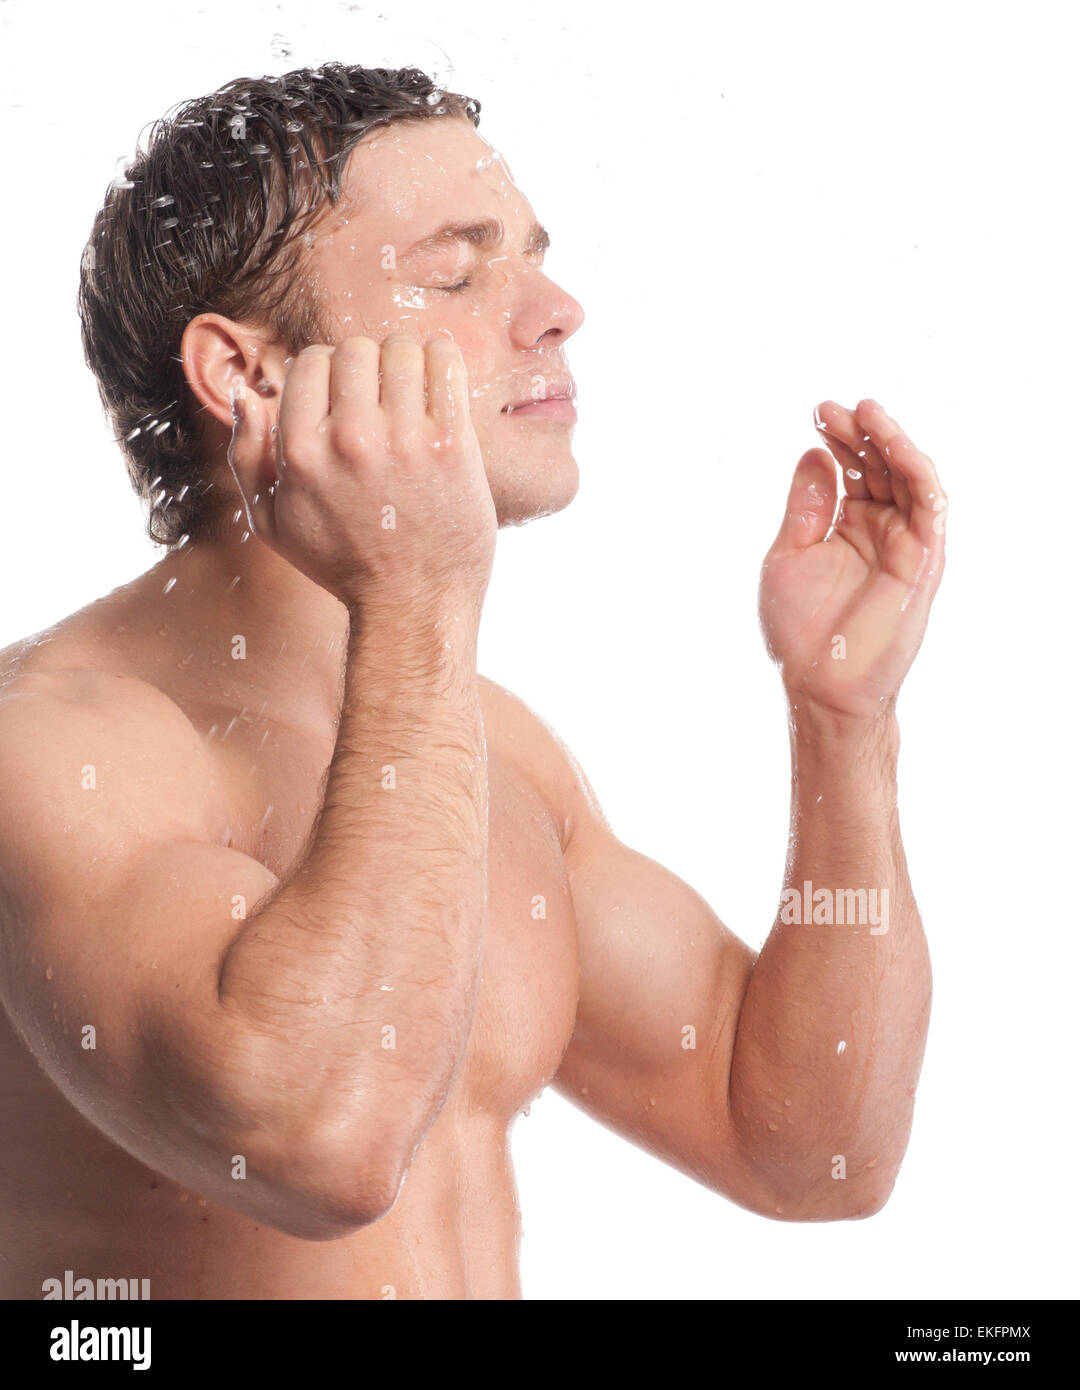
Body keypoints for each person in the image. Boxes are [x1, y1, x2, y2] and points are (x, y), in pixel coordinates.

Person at [0, 62, 946, 1300]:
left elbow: (813, 1148)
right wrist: (420, 599)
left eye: (533, 257)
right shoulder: (53, 748)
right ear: (246, 374)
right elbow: (320, 1140)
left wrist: (843, 726)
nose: (556, 309)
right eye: (456, 271)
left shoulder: (496, 756)